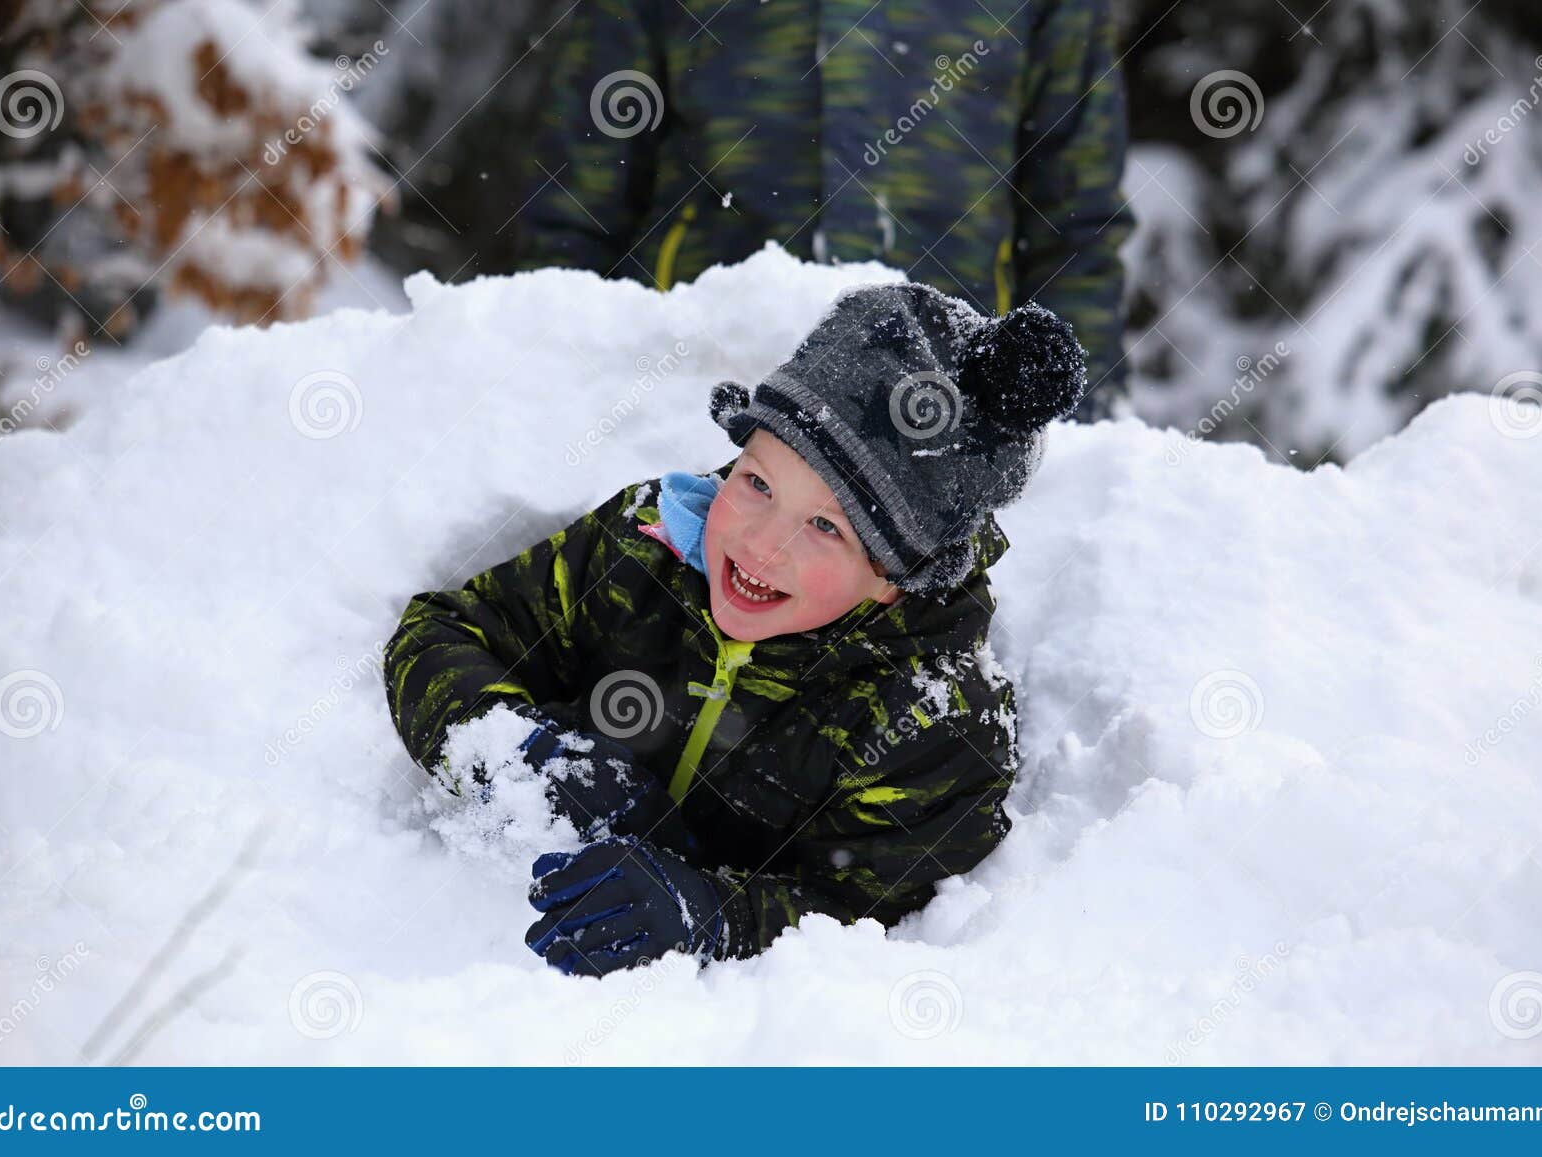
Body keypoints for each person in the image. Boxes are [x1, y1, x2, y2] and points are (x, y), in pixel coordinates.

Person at [383, 281, 1087, 976]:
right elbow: (442, 632)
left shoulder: (933, 724)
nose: (759, 545)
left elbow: (874, 916)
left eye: (824, 527)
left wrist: (712, 913)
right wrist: (520, 756)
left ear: (897, 576)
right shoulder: (642, 547)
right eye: (757, 483)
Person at [511, 0, 1132, 419]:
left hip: (947, 407)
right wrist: (550, 385)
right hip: (685, 388)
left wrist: (1075, 417)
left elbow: (1077, 222)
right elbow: (578, 196)